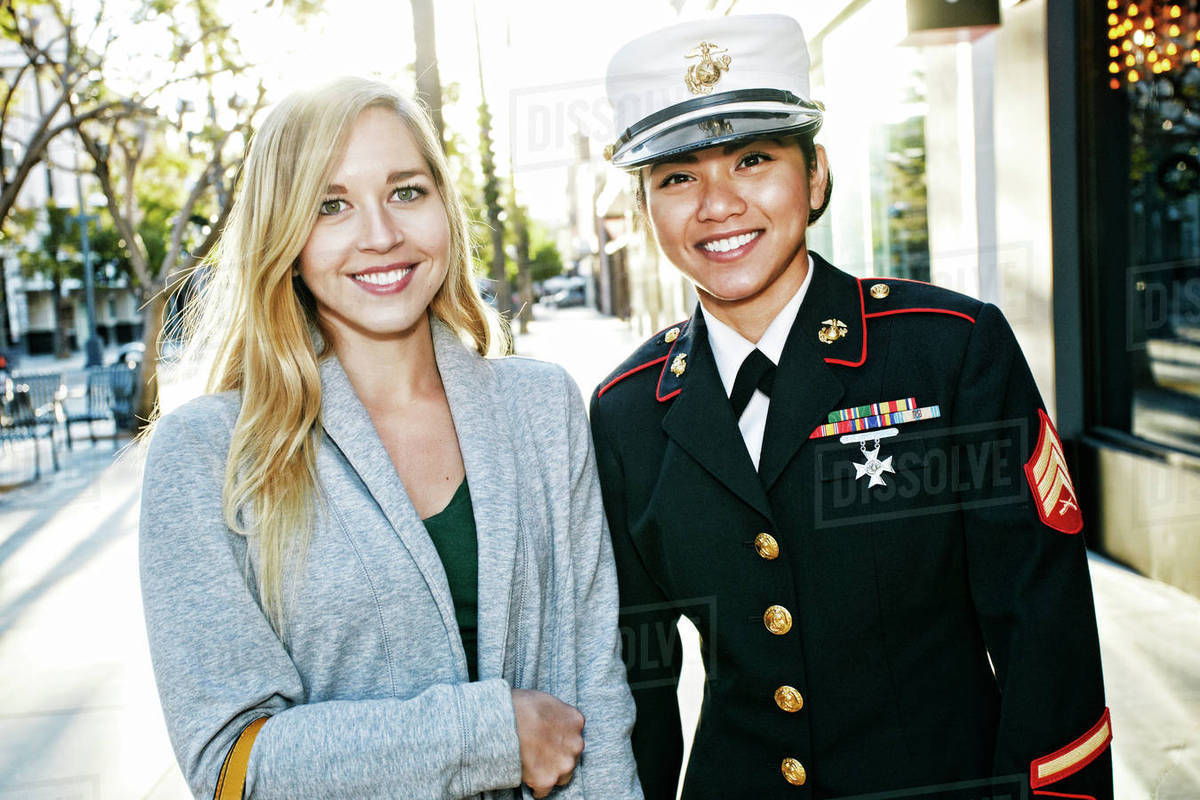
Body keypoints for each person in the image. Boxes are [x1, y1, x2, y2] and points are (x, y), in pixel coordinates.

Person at [590, 15, 1113, 800]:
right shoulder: (625, 411)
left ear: (817, 175)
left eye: (754, 159)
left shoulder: (950, 352)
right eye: (677, 177)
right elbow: (637, 680)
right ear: (645, 209)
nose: (718, 203)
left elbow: (1046, 634)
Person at [139, 77, 641, 800]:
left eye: (406, 191)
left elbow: (598, 686)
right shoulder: (208, 454)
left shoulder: (542, 406)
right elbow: (232, 767)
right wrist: (489, 736)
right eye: (331, 205)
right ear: (285, 236)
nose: (381, 234)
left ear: (444, 207)